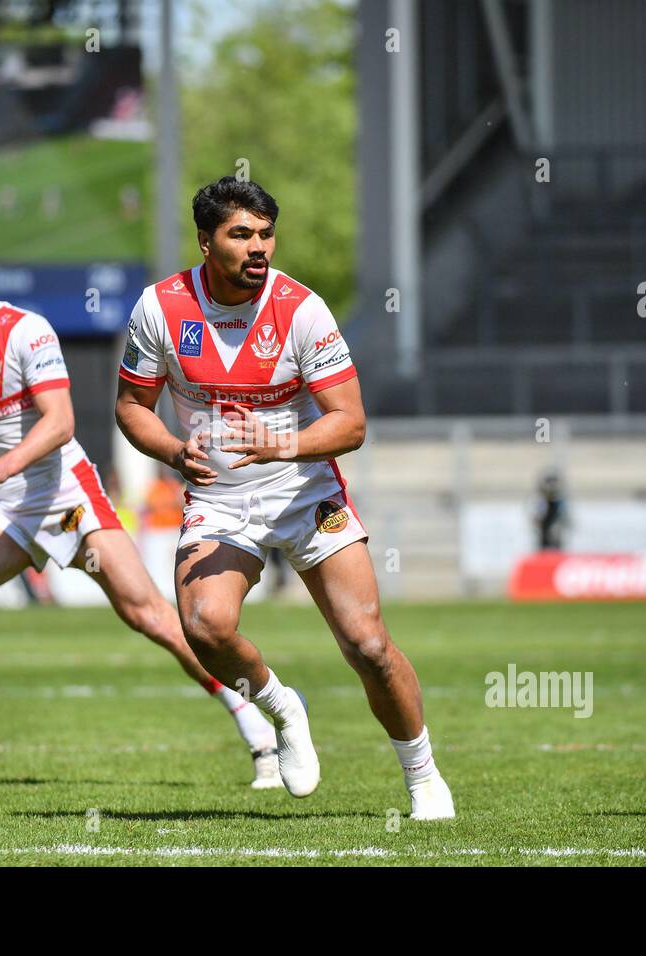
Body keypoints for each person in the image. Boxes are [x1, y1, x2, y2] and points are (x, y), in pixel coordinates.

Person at [0, 226, 279, 787]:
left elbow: (60, 421)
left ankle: (258, 728)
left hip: (67, 495)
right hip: (6, 508)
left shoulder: (24, 331)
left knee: (154, 618)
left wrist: (9, 462)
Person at [114, 177, 454, 819]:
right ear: (206, 242)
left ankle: (423, 776)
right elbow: (132, 406)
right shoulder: (159, 308)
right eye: (241, 234)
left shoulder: (302, 310)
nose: (258, 247)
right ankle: (280, 706)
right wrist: (170, 450)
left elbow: (350, 423)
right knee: (204, 625)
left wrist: (280, 446)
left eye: (266, 234)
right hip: (218, 499)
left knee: (368, 644)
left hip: (304, 492)